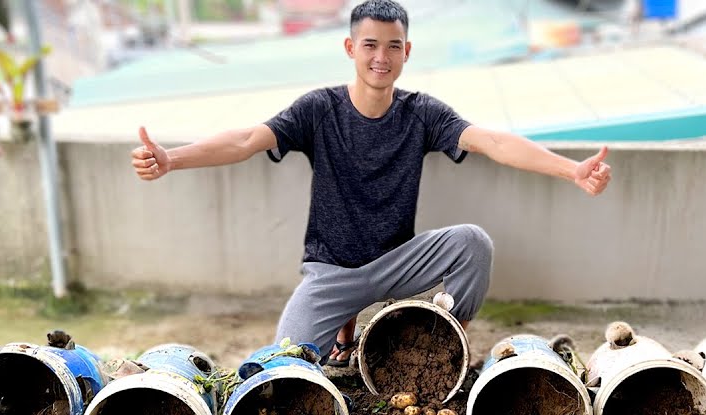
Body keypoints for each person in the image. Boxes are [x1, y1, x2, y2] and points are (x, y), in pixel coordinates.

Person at [130, 0, 612, 364]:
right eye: (370, 45)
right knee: (282, 364)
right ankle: (345, 333)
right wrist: (173, 159)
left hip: (396, 263)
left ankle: (449, 347)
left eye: (393, 46)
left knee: (473, 243)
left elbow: (492, 141)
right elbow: (244, 140)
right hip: (332, 274)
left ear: (406, 52)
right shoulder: (318, 109)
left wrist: (571, 169)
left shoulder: (421, 112)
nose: (381, 57)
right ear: (350, 48)